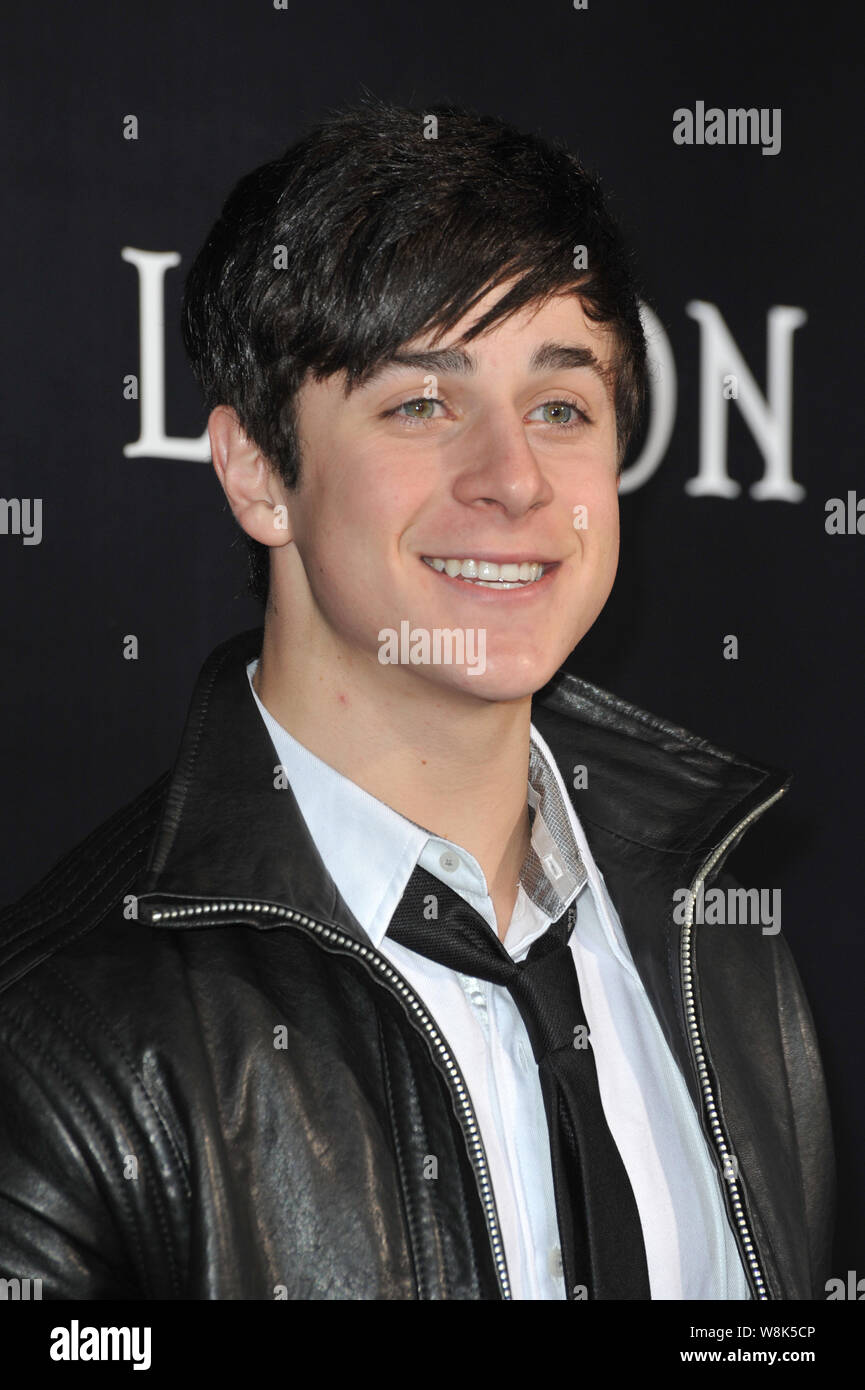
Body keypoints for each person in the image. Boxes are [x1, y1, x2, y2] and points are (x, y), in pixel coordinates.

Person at [0, 96, 834, 1300]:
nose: (512, 479)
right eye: (420, 404)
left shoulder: (718, 938)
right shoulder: (59, 1040)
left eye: (560, 407)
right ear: (256, 472)